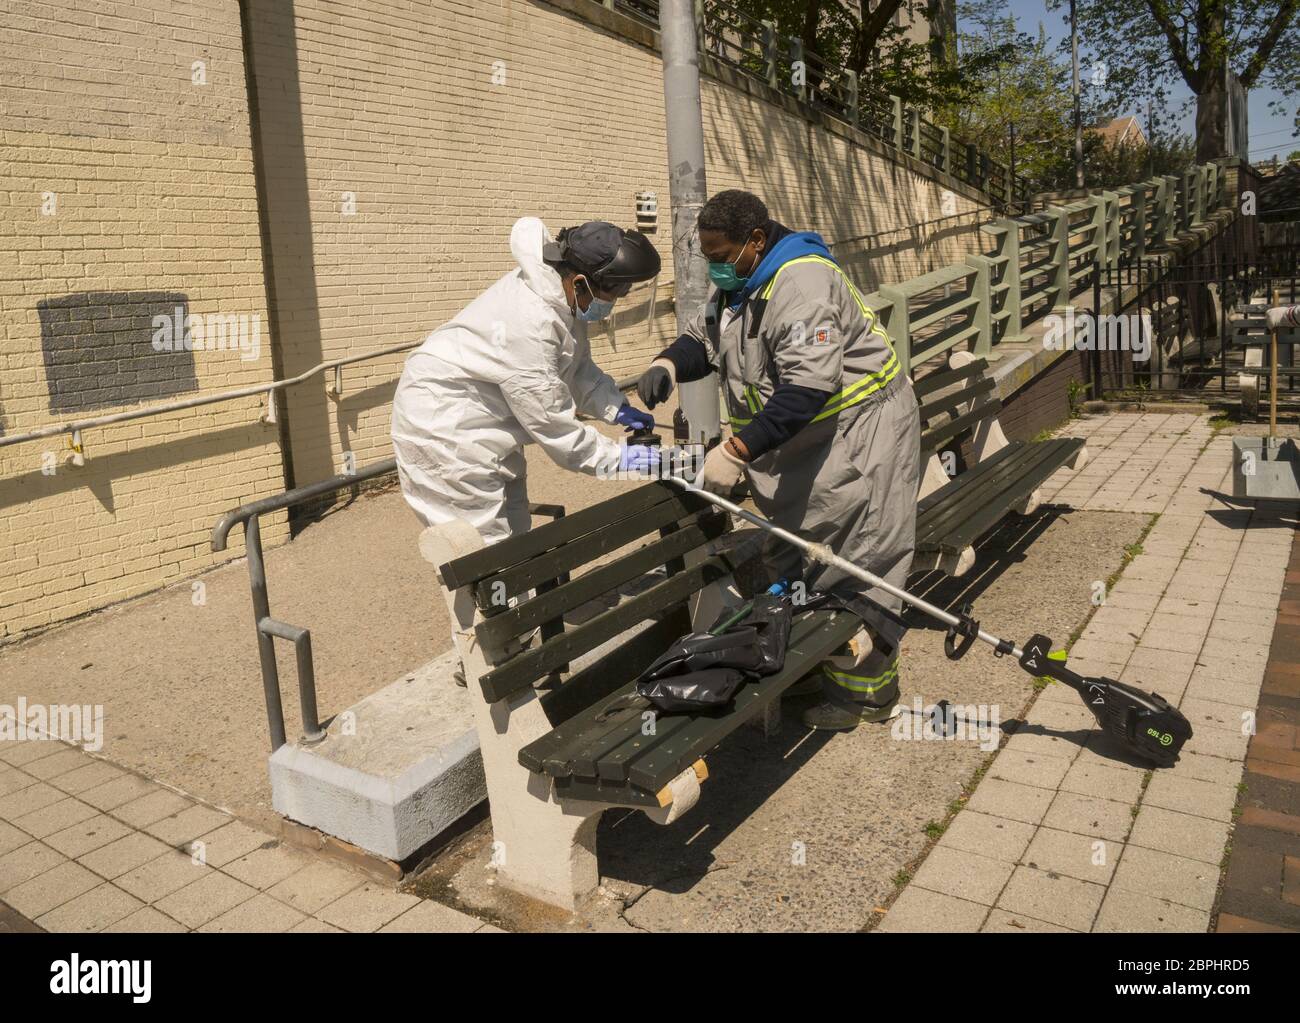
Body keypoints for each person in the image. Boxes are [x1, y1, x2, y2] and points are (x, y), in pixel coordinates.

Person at [636, 190, 921, 730]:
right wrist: (669, 363)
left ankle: (864, 694)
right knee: (796, 557)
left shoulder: (802, 285)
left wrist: (735, 451)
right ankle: (813, 663)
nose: (714, 267)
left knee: (861, 561)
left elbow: (809, 388)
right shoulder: (745, 283)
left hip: (864, 434)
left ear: (757, 240)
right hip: (805, 443)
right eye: (706, 256)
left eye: (721, 256)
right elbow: (707, 338)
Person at [392, 217, 662, 544]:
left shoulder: (560, 297)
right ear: (579, 281)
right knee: (480, 553)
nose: (615, 300)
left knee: (517, 537)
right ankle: (498, 594)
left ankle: (522, 594)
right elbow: (557, 430)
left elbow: (575, 367)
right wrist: (625, 459)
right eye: (614, 291)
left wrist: (617, 407)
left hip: (486, 424)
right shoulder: (531, 324)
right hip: (444, 432)